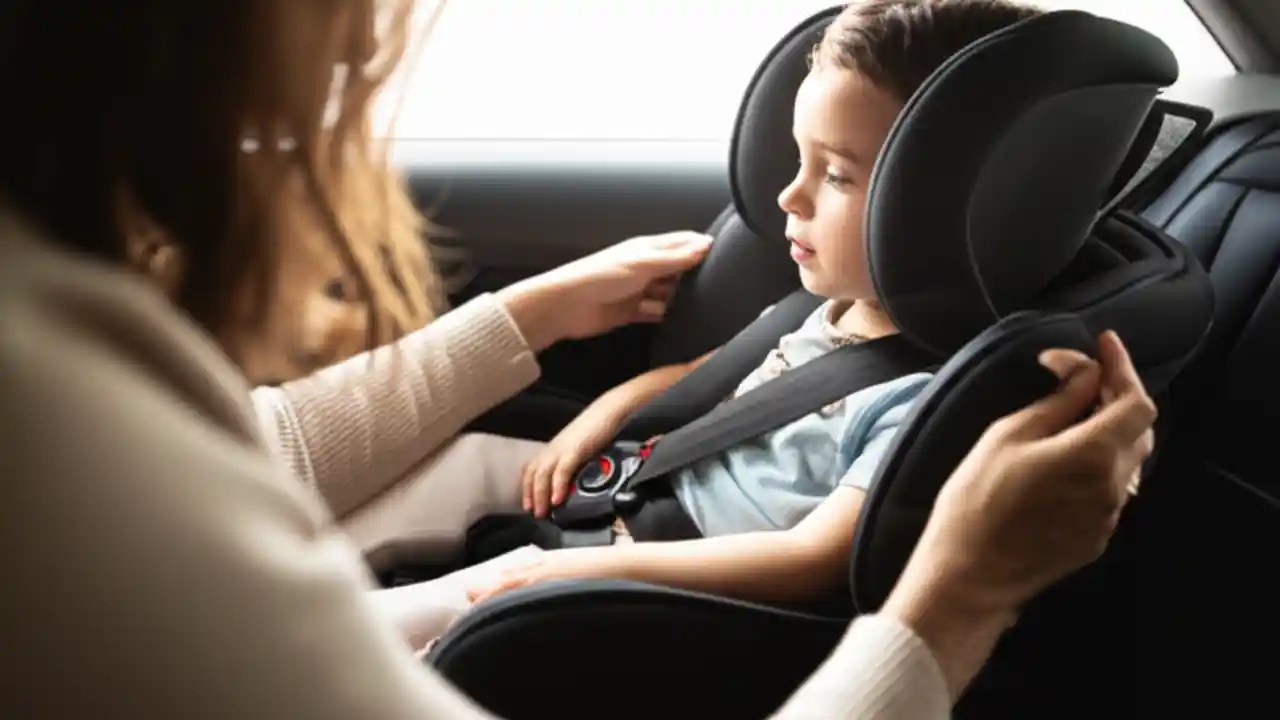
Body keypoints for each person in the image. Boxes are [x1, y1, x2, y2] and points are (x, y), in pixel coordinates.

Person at [0, 0, 1155, 718]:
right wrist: (957, 606)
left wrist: (530, 330)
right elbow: (716, 391)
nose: (362, 41)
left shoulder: (68, 381)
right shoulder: (63, 459)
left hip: (653, 556)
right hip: (630, 523)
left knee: (477, 567)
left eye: (839, 175)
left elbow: (243, 453)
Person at [356, 0, 1051, 632]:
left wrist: (596, 568)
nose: (789, 195)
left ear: (946, 205)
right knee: (470, 461)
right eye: (798, 160)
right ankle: (291, 562)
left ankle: (304, 632)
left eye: (836, 175)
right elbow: (698, 378)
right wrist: (600, 419)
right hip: (636, 488)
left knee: (466, 600)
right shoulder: (830, 307)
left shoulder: (919, 399)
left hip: (664, 573)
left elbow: (814, 558)